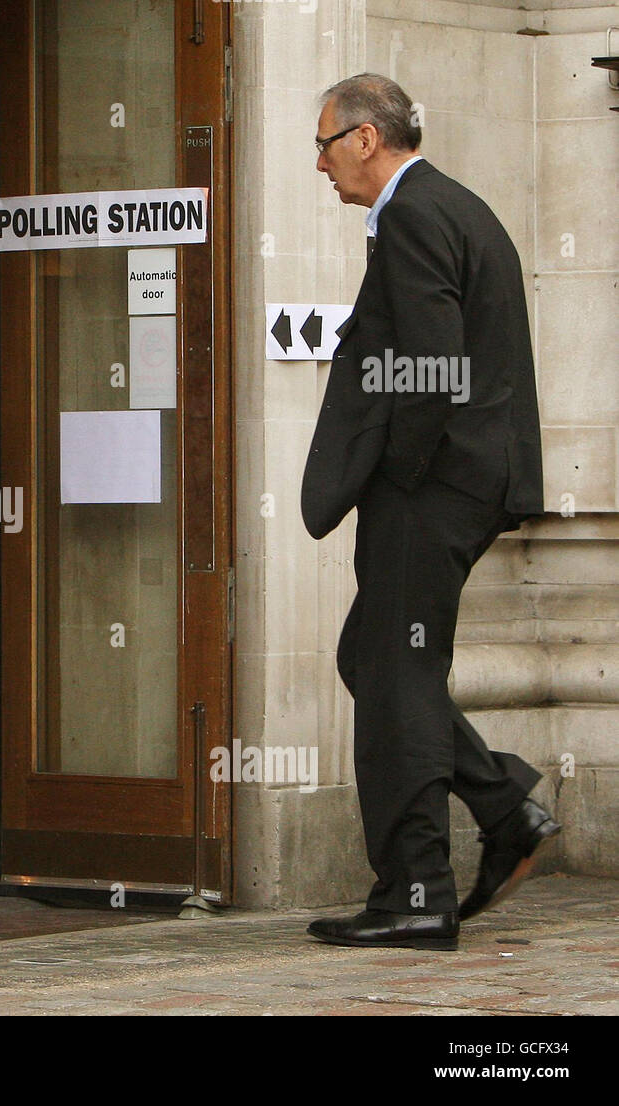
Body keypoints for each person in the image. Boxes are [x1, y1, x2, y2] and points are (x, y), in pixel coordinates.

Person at [300, 74, 560, 950]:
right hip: (464, 481)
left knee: (398, 675)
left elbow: (435, 367)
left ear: (368, 139)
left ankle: (416, 890)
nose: (322, 165)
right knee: (372, 656)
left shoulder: (414, 213)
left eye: (326, 143)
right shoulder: (455, 205)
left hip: (433, 486)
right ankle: (501, 805)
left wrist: (401, 475)